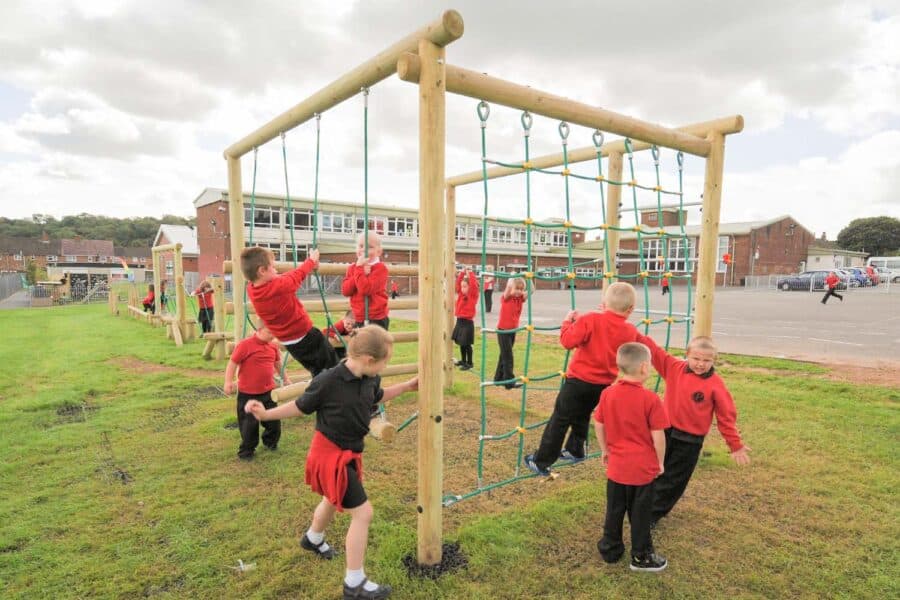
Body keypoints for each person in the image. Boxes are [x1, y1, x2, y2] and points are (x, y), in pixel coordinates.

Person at [245, 326, 418, 600]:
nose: (387, 365)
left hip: (349, 452)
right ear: (369, 359)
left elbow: (376, 396)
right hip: (329, 455)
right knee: (363, 513)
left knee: (330, 498)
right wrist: (266, 415)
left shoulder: (369, 378)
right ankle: (355, 583)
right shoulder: (329, 380)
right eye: (387, 360)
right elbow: (300, 406)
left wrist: (407, 386)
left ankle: (313, 538)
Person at [525, 282, 643, 476]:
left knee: (560, 419)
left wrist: (568, 322)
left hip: (578, 381)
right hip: (603, 385)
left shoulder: (590, 319)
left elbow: (567, 341)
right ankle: (575, 449)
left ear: (604, 303)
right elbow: (609, 328)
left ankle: (541, 461)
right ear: (631, 309)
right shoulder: (629, 330)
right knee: (583, 414)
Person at [636, 334, 751, 525]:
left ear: (714, 360)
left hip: (690, 440)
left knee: (673, 480)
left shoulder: (716, 385)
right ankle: (640, 504)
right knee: (652, 470)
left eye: (707, 360)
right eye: (696, 358)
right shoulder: (673, 367)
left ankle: (651, 516)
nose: (700, 364)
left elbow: (726, 417)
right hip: (664, 432)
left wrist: (735, 445)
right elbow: (654, 351)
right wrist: (627, 328)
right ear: (687, 354)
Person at [594, 342, 669, 572]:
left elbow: (598, 422)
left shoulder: (607, 394)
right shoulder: (651, 399)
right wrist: (660, 462)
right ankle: (641, 557)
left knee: (614, 510)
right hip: (641, 471)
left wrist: (605, 449)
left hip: (617, 468)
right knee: (640, 515)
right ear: (645, 368)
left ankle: (610, 549)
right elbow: (658, 437)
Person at [242, 246, 338, 377]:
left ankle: (323, 392)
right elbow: (296, 276)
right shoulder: (279, 286)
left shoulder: (252, 289)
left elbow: (283, 279)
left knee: (318, 370)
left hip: (289, 343)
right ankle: (333, 392)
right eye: (273, 267)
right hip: (306, 336)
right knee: (332, 367)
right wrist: (311, 260)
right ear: (262, 271)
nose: (276, 271)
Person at [224, 326, 285, 460]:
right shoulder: (245, 345)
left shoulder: (273, 346)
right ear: (259, 329)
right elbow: (232, 363)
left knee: (273, 422)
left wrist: (285, 379)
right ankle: (247, 451)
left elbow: (277, 364)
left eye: (274, 333)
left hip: (269, 392)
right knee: (248, 426)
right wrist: (228, 381)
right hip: (248, 394)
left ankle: (271, 443)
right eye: (269, 332)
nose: (272, 335)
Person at [342, 232, 389, 330]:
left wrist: (359, 269)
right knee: (359, 344)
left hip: (376, 318)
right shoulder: (352, 268)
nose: (364, 250)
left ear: (379, 252)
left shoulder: (380, 269)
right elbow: (346, 291)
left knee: (375, 345)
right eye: (361, 246)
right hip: (358, 317)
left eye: (370, 247)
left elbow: (366, 289)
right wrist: (358, 271)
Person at [494, 277, 529, 390]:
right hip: (503, 331)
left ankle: (498, 378)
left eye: (521, 289)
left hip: (512, 331)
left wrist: (528, 277)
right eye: (516, 289)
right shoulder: (506, 298)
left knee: (503, 355)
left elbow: (532, 290)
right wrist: (512, 279)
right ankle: (509, 382)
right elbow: (509, 287)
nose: (518, 291)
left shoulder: (520, 299)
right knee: (508, 356)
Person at [452, 267, 479, 371]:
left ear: (470, 287)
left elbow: (473, 286)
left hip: (467, 323)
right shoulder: (460, 294)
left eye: (465, 287)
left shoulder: (472, 295)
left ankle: (470, 363)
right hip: (460, 321)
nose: (462, 288)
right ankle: (463, 361)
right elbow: (458, 284)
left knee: (467, 344)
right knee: (461, 343)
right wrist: (462, 273)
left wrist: (470, 273)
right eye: (462, 287)